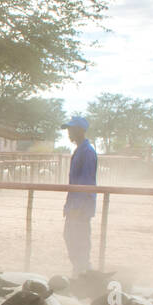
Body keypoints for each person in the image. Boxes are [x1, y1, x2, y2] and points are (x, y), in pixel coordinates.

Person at [61, 116, 97, 275]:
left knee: (78, 238)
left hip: (81, 206)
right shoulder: (81, 150)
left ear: (79, 131)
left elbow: (86, 182)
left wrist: (76, 207)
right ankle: (79, 269)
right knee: (71, 236)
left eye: (71, 129)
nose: (69, 132)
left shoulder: (87, 152)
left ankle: (83, 271)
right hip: (76, 204)